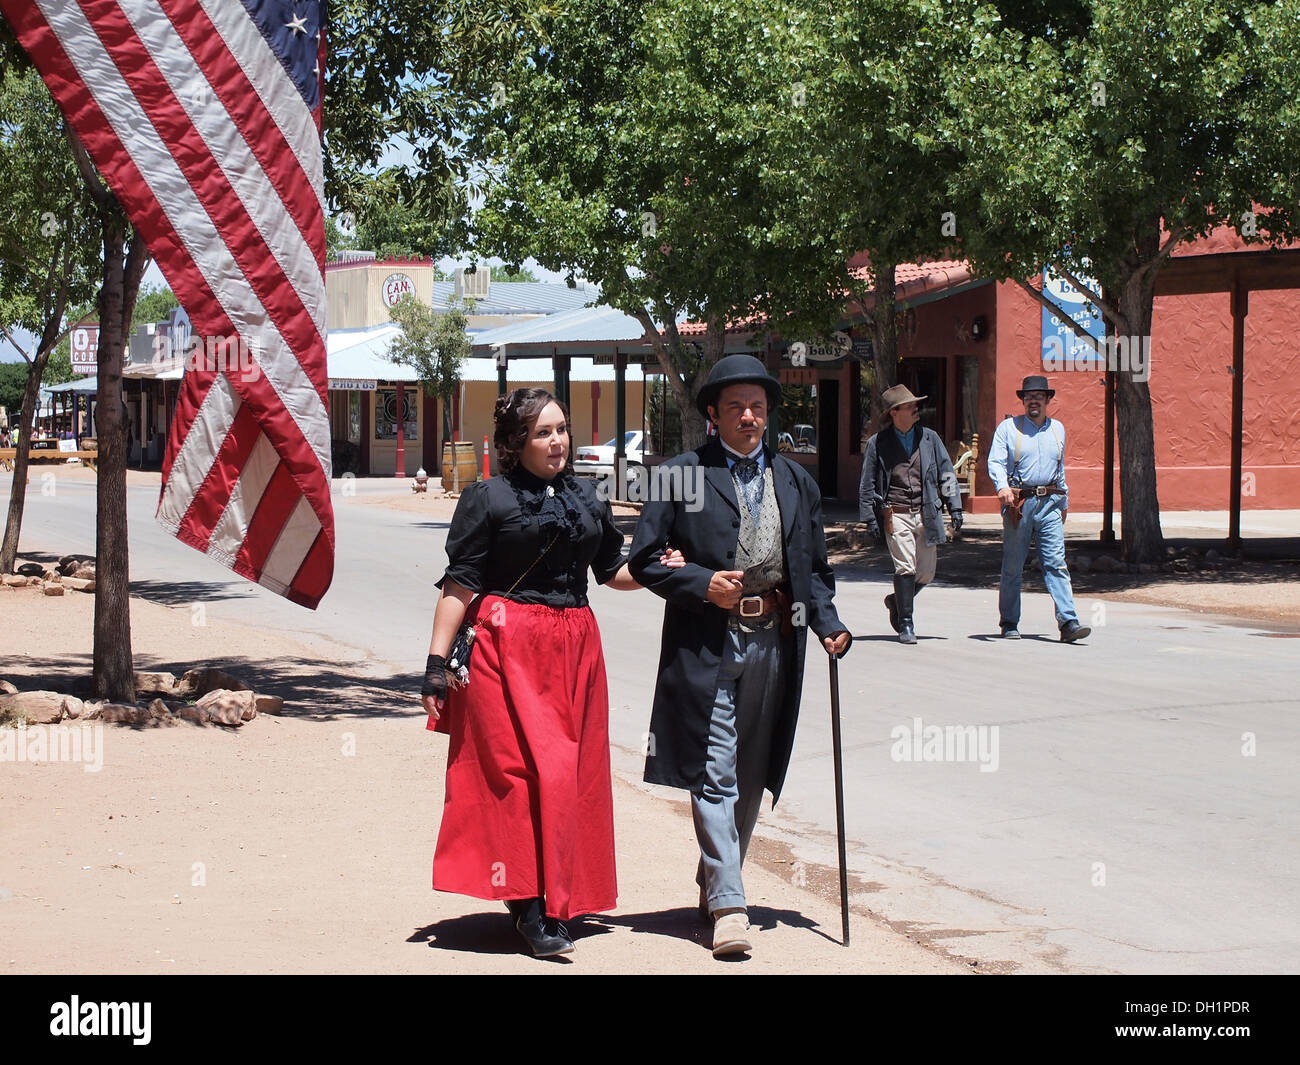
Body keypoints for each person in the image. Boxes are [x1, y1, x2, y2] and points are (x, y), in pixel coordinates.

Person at [420, 387, 682, 958]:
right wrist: (436, 665)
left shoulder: (587, 497)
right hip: (502, 646)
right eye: (543, 432)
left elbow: (612, 571)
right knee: (515, 775)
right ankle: (529, 905)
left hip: (575, 647)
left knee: (571, 775)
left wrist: (662, 568)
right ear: (516, 443)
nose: (557, 441)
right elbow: (460, 583)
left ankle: (558, 891)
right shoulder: (485, 498)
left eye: (561, 429)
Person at [628, 354, 852, 958]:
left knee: (753, 770)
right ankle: (730, 906)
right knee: (715, 767)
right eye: (735, 408)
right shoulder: (678, 474)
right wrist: (702, 582)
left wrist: (828, 625)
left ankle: (715, 878)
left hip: (776, 639)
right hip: (706, 642)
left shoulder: (797, 481)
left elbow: (815, 571)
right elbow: (644, 559)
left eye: (756, 406)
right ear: (713, 415)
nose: (749, 416)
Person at [987, 374, 1090, 643]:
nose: (1034, 401)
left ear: (1047, 400)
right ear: (1023, 400)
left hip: (1050, 503)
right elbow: (996, 462)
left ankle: (1068, 621)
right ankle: (1009, 621)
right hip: (1019, 504)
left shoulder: (1058, 429)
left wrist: (1064, 502)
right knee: (1013, 565)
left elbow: (1060, 469)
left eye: (1039, 397)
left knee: (1056, 562)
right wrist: (1002, 487)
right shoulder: (1009, 428)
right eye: (1029, 397)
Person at [859, 384, 963, 644]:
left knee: (926, 573)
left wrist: (955, 507)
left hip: (927, 512)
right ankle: (906, 623)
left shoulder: (930, 438)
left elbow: (947, 473)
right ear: (894, 412)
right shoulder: (878, 443)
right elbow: (867, 482)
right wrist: (869, 518)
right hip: (896, 514)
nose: (916, 409)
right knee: (905, 566)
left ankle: (897, 600)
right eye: (909, 406)